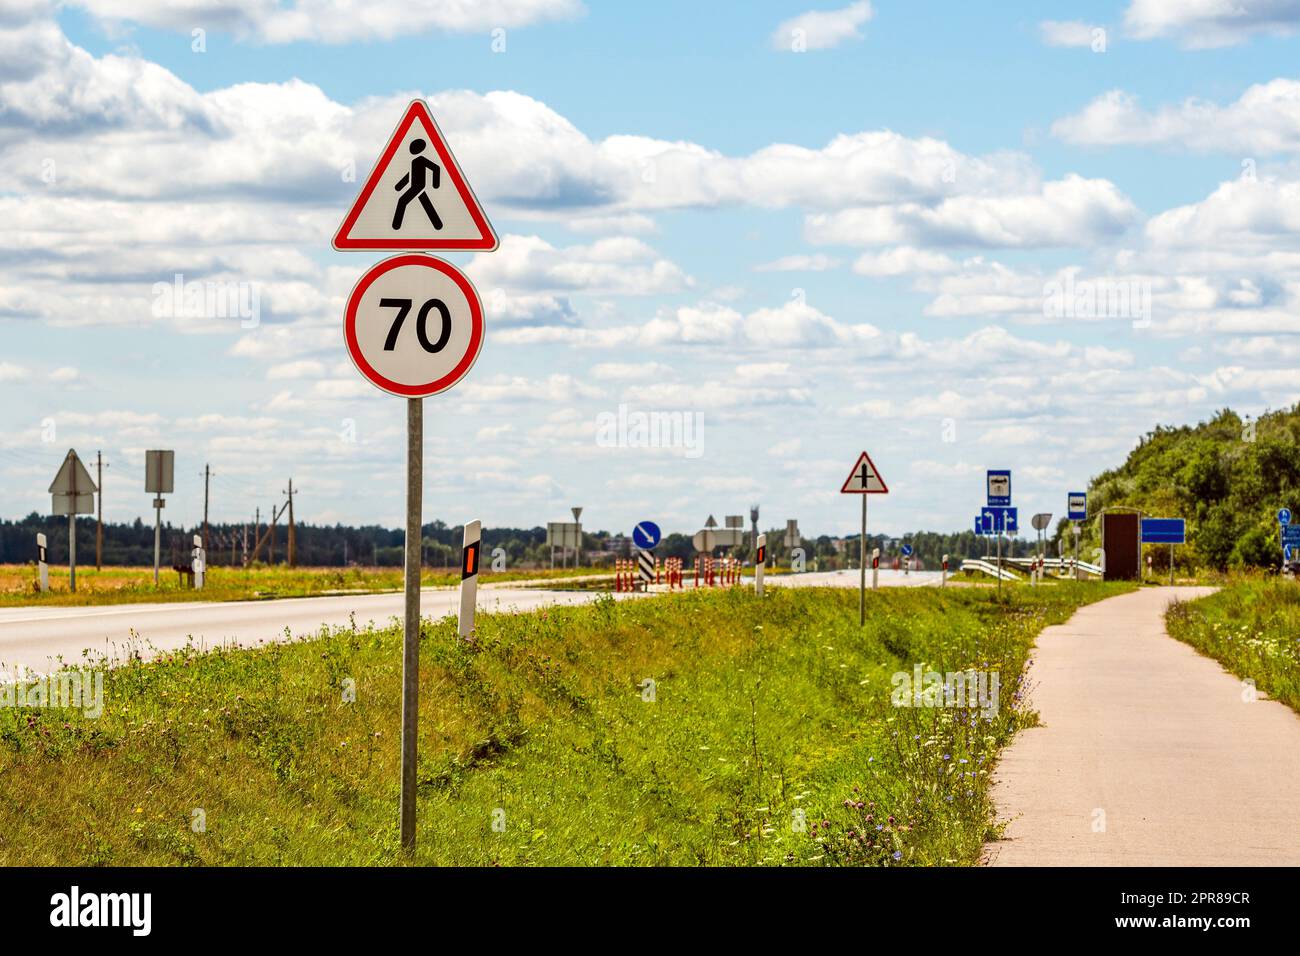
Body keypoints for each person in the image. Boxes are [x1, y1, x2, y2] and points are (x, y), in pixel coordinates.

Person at [392, 138, 443, 230]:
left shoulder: (422, 160)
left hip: (419, 186)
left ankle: (395, 226)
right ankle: (438, 225)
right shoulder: (414, 161)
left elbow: (436, 168)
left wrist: (436, 184)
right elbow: (410, 175)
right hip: (416, 186)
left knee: (402, 201)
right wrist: (399, 186)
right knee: (426, 203)